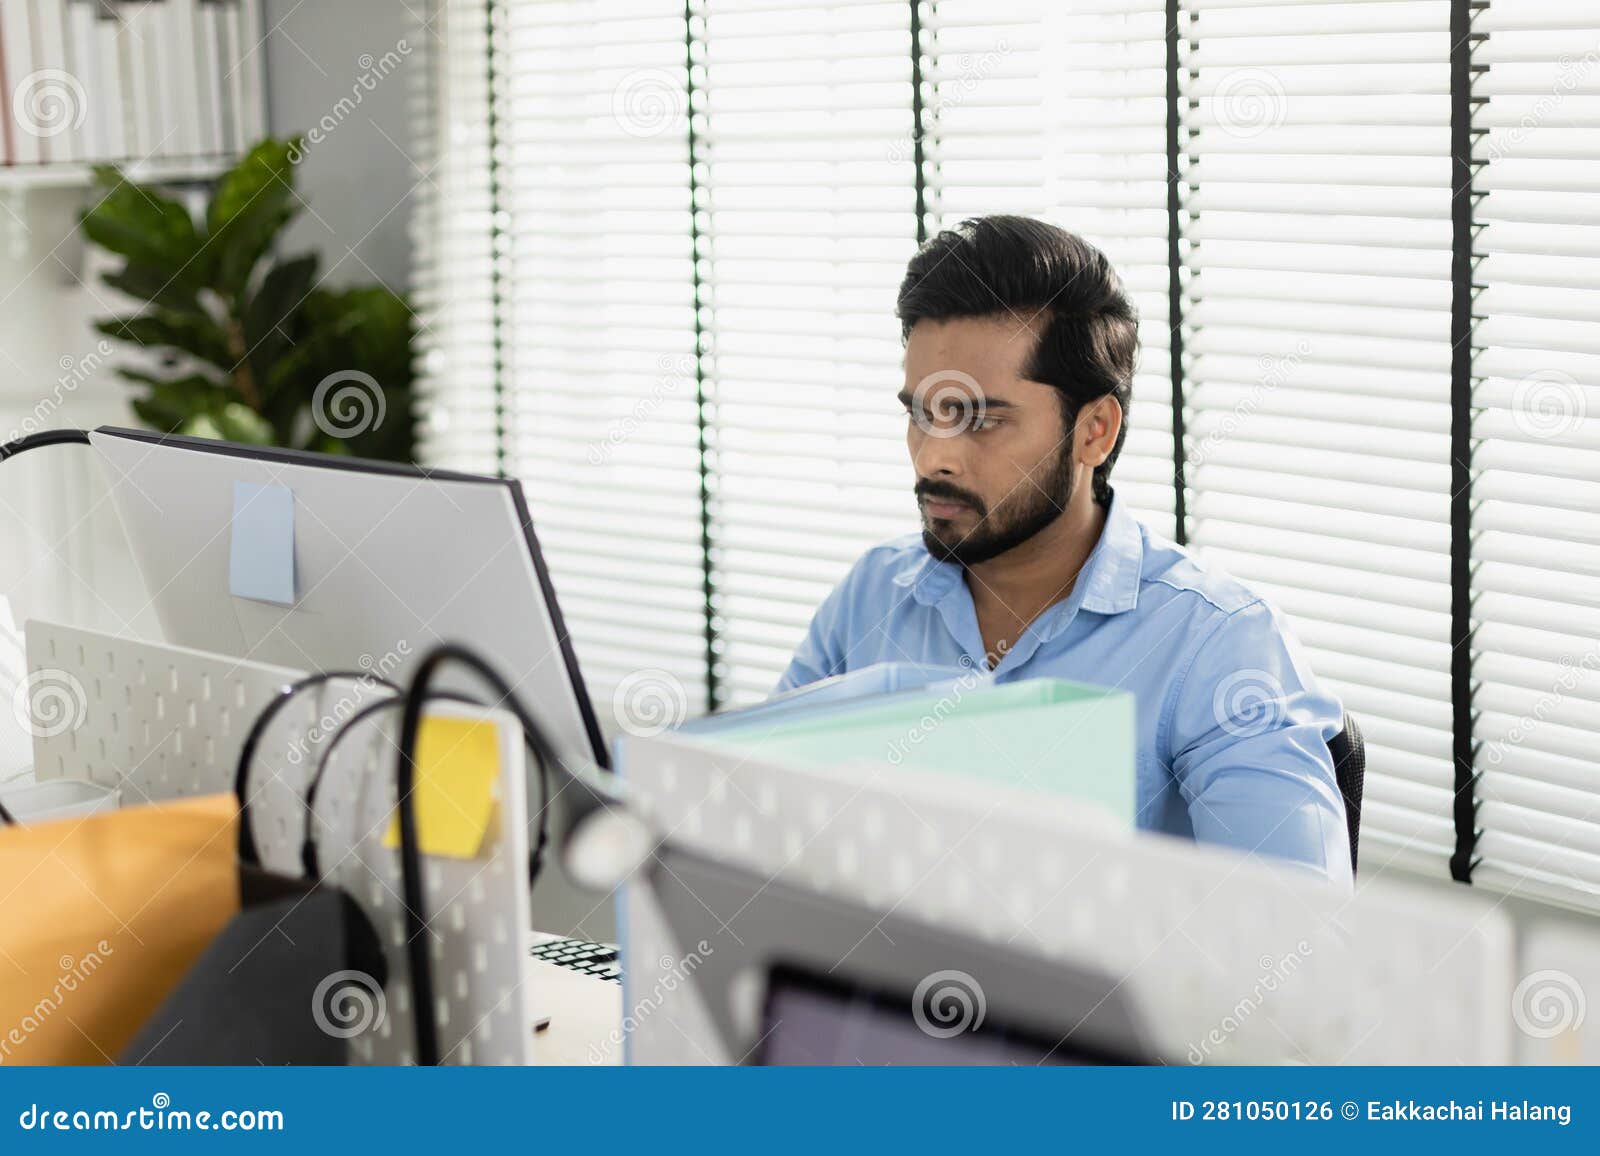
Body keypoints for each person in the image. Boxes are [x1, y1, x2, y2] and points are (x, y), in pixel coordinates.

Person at [776, 215, 1351, 886]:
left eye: (981, 419)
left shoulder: (1217, 644)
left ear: (1094, 432)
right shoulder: (873, 593)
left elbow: (1299, 939)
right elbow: (758, 827)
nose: (934, 457)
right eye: (920, 413)